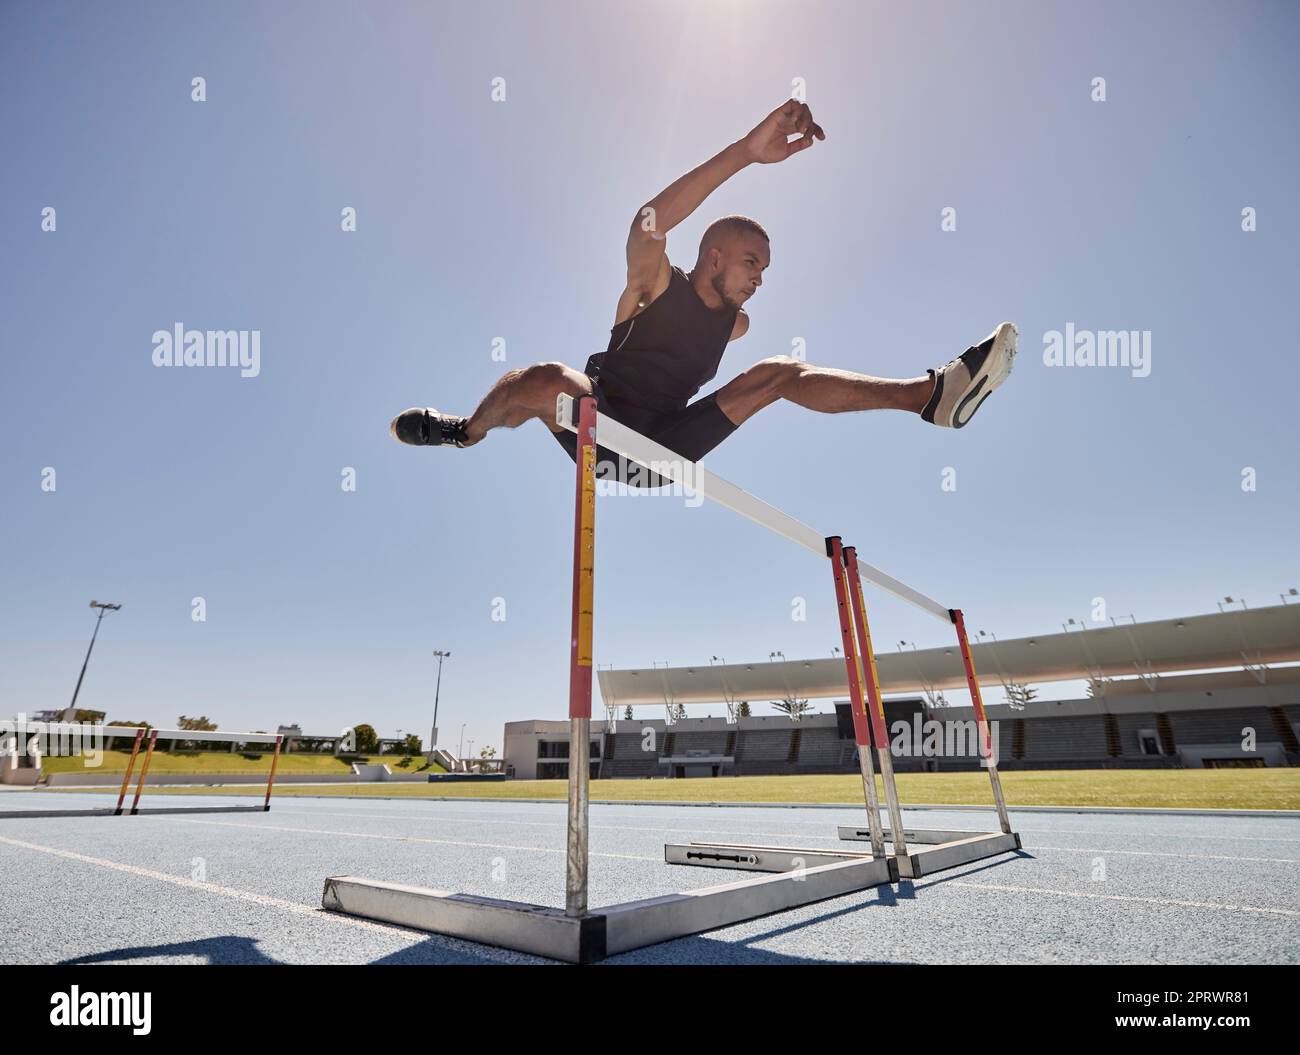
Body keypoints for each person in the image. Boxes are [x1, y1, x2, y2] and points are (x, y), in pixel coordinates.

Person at [391, 100, 1016, 482]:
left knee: (779, 371)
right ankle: (463, 433)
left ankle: (928, 397)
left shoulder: (734, 326)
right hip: (602, 427)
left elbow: (753, 366)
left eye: (765, 269)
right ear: (711, 256)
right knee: (546, 377)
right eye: (751, 262)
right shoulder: (652, 287)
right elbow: (648, 223)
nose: (759, 278)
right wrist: (746, 152)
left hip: (663, 449)